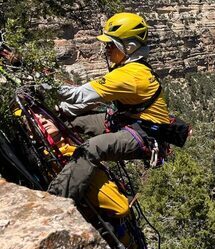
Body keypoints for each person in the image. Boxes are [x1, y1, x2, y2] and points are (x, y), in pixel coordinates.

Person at [47, 12, 170, 200]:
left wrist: (39, 82)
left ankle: (57, 199)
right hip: (128, 121)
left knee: (91, 148)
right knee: (72, 121)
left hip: (146, 135)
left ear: (128, 47)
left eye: (111, 44)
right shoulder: (128, 68)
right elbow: (96, 98)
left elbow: (77, 95)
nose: (107, 49)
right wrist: (64, 111)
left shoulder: (130, 75)